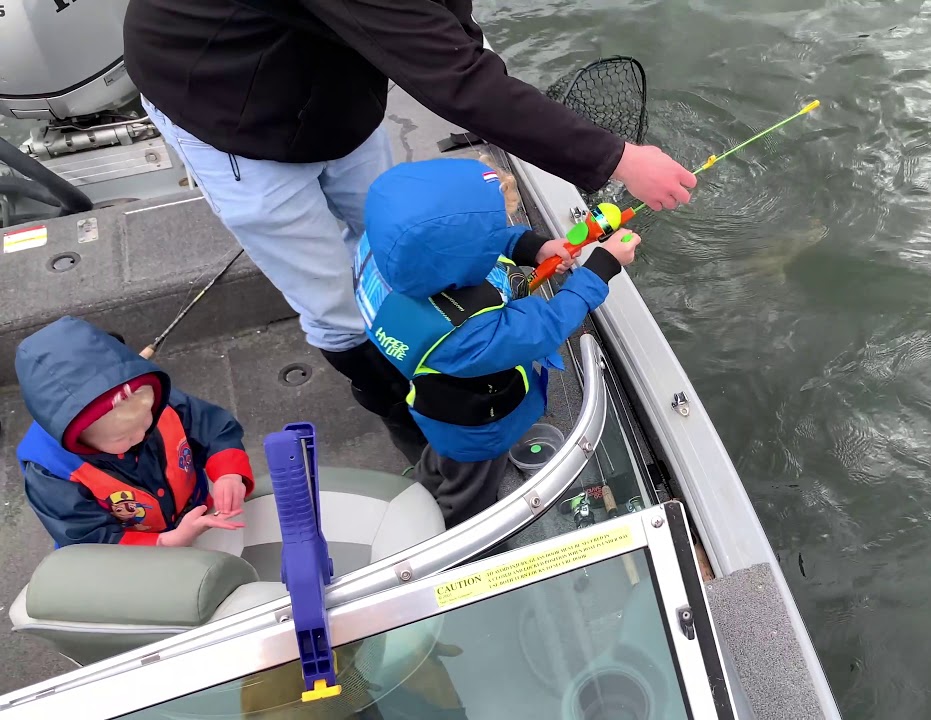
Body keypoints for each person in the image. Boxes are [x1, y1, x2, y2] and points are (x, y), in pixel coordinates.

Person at [122, 0, 695, 462]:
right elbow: (460, 81)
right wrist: (616, 163)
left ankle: (401, 345)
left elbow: (447, 34)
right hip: (228, 108)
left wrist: (525, 245)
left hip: (331, 89)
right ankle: (409, 416)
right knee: (333, 301)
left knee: (386, 227)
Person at [354, 157, 640, 526]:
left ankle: (424, 484)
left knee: (444, 457)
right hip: (476, 429)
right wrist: (602, 266)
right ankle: (462, 543)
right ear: (459, 255)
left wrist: (532, 247)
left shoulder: (391, 253)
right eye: (493, 232)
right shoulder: (466, 335)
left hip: (434, 409)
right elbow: (547, 326)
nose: (500, 233)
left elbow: (468, 241)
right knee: (470, 488)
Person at [14, 317, 253, 548]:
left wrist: (229, 474)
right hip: (132, 556)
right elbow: (87, 539)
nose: (141, 435)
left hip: (197, 511)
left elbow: (213, 428)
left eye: (148, 418)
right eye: (123, 437)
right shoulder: (51, 471)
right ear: (81, 440)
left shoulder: (148, 401)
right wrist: (165, 542)